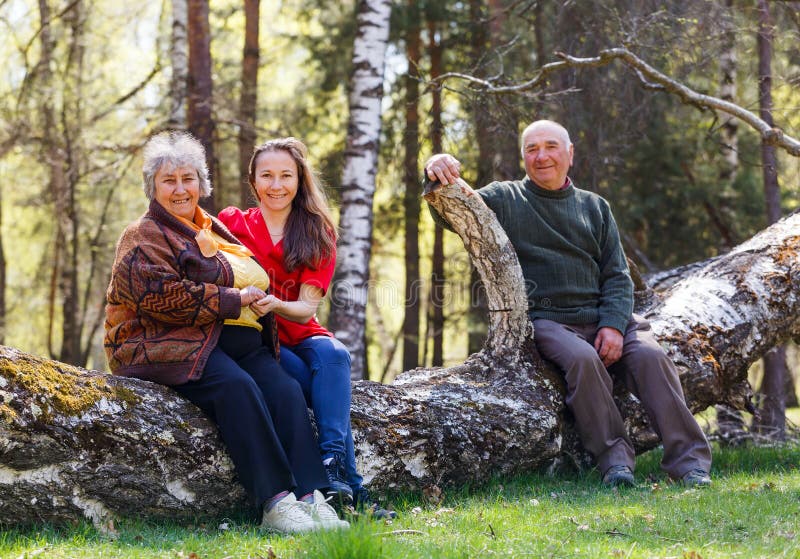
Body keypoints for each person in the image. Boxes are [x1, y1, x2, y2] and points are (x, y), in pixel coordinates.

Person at [424, 120, 712, 488]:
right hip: (550, 322)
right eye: (532, 149)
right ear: (523, 156)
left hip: (606, 317)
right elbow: (450, 211)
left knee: (652, 358)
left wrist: (612, 324)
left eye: (551, 146)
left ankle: (690, 464)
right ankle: (615, 463)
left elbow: (617, 276)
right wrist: (436, 167)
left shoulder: (595, 207)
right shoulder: (506, 197)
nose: (541, 156)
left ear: (569, 154)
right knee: (583, 360)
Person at [104, 131, 349, 533]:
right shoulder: (143, 234)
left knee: (284, 387)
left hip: (213, 336)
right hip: (155, 343)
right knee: (236, 387)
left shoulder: (212, 227)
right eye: (169, 181)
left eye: (189, 179)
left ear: (202, 183)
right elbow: (163, 299)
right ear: (153, 187)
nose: (181, 189)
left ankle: (312, 495)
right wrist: (234, 300)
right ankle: (275, 503)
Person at [219, 137, 396, 518]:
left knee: (334, 355)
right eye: (267, 175)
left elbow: (304, 310)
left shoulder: (317, 231)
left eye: (286, 175)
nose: (276, 185)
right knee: (319, 392)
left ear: (300, 180)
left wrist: (276, 303)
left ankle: (331, 461)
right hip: (265, 343)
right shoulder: (232, 223)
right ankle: (354, 492)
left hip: (300, 330)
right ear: (253, 181)